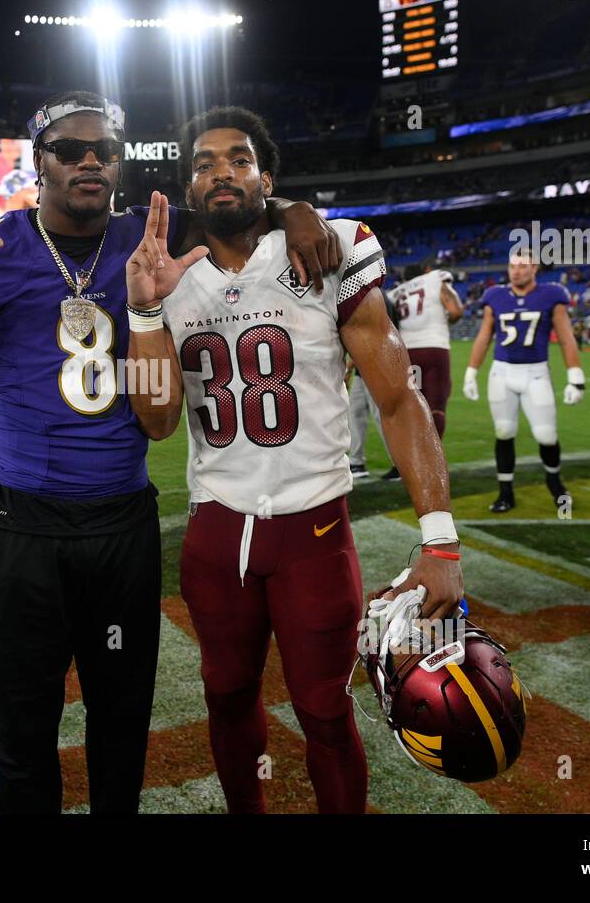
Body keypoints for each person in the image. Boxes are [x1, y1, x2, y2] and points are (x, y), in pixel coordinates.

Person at [0, 89, 342, 814]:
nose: (90, 162)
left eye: (104, 151)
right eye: (70, 150)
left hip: (121, 528)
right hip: (22, 530)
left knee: (121, 727)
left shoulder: (153, 234)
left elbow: (240, 204)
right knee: (24, 729)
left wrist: (297, 210)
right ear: (39, 161)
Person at [126, 107, 463, 814]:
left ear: (266, 177)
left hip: (313, 530)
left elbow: (400, 399)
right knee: (225, 695)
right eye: (205, 163)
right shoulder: (166, 271)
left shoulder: (327, 248)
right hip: (217, 532)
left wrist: (440, 540)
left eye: (240, 160)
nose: (222, 172)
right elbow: (155, 420)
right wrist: (147, 316)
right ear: (189, 187)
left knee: (324, 709)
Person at [462, 251, 584, 513]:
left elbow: (566, 337)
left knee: (546, 435)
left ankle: (555, 482)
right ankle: (505, 492)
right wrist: (471, 372)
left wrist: (576, 377)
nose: (516, 270)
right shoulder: (495, 296)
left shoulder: (551, 294)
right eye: (512, 265)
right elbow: (484, 337)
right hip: (501, 373)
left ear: (534, 268)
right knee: (504, 431)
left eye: (522, 265)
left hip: (536, 373)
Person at [386, 263, 464, 439]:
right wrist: (446, 320)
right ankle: (433, 463)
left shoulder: (395, 293)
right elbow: (455, 311)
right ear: (424, 272)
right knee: (436, 409)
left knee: (413, 409)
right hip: (434, 351)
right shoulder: (434, 278)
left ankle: (413, 461)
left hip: (408, 355)